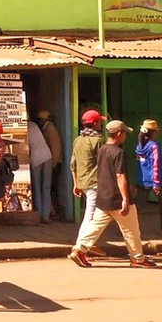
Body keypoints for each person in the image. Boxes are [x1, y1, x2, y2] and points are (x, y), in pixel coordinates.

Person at [68, 120, 157, 269]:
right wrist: (125, 199)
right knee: (131, 230)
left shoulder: (102, 149)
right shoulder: (118, 153)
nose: (125, 136)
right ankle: (137, 258)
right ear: (119, 133)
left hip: (103, 196)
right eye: (124, 133)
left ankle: (79, 250)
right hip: (116, 198)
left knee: (95, 226)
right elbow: (120, 176)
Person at [69, 109, 107, 258]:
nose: (100, 125)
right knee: (90, 216)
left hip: (83, 182)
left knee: (95, 215)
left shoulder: (78, 140)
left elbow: (73, 164)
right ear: (95, 123)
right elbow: (104, 164)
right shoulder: (98, 141)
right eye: (99, 122)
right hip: (94, 183)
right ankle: (80, 245)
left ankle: (89, 244)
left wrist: (76, 183)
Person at [135, 119, 162, 237]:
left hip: (142, 180)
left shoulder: (139, 146)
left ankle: (132, 230)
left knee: (138, 207)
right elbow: (155, 164)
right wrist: (156, 183)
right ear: (153, 132)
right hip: (155, 181)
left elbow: (140, 163)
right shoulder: (154, 146)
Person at [35, 110, 64, 219]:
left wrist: (53, 164)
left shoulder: (50, 129)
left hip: (53, 162)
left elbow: (56, 147)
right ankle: (50, 212)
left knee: (51, 188)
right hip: (50, 162)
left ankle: (53, 212)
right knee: (49, 188)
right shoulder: (47, 128)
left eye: (40, 119)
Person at [27, 115, 54, 224]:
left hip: (36, 158)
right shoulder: (34, 125)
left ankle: (38, 214)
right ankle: (45, 216)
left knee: (37, 188)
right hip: (47, 156)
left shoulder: (26, 128)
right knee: (46, 187)